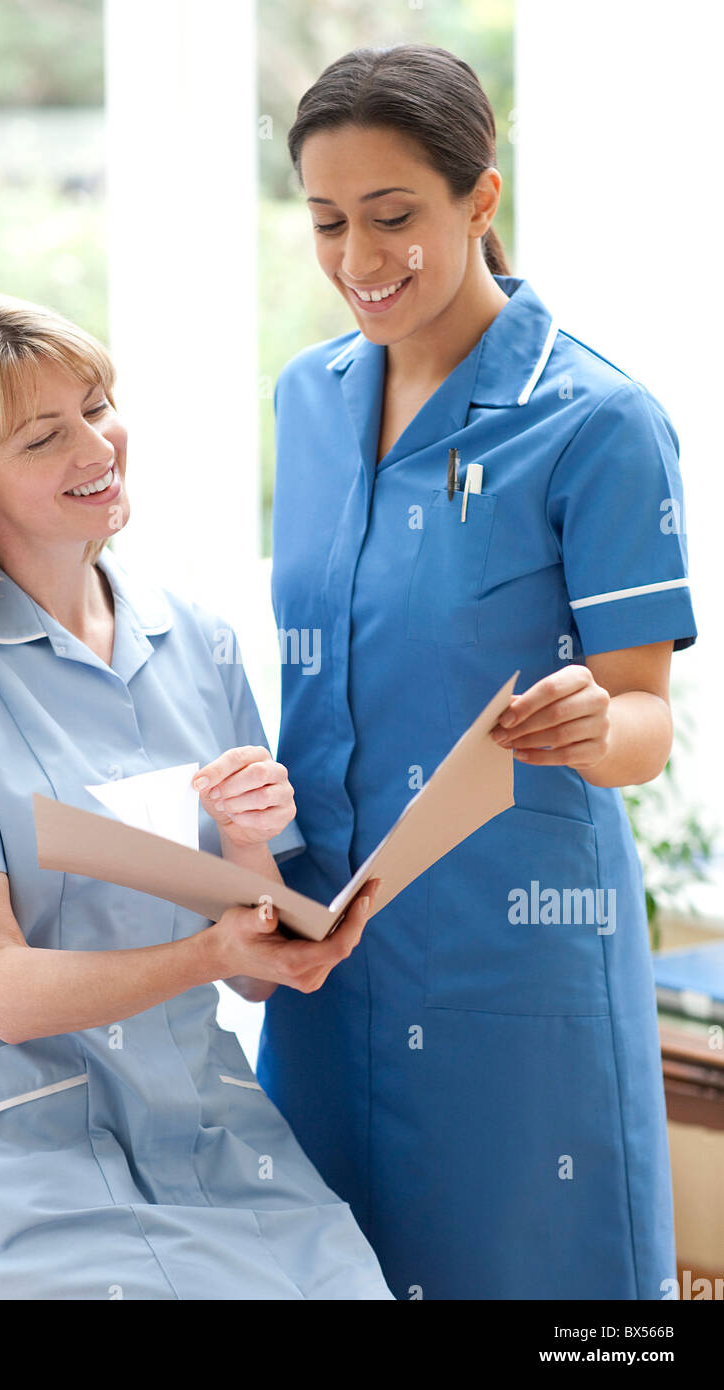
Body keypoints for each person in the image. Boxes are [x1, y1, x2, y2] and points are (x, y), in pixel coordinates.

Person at [0, 290, 393, 1301]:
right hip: (20, 1158)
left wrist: (252, 855)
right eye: (47, 435)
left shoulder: (194, 636)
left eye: (98, 405)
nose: (99, 445)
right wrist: (207, 951)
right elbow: (1, 986)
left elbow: (256, 973)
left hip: (209, 1131)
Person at [255, 44, 698, 1300]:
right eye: (328, 221)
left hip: (512, 963)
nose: (357, 260)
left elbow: (643, 721)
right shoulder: (306, 399)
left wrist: (588, 722)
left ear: (479, 200)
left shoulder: (595, 422)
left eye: (393, 217)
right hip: (326, 957)